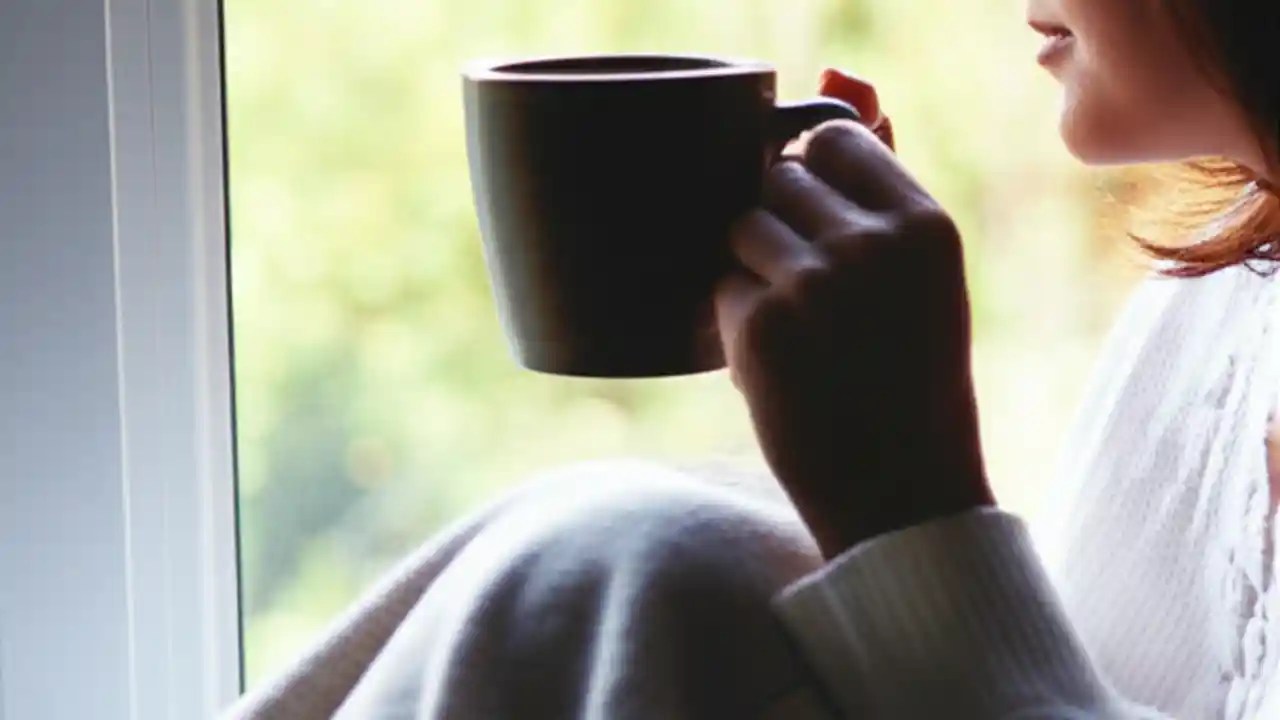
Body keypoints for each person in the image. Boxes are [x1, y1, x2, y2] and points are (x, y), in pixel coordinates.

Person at [227, 0, 1280, 717]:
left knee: (653, 555)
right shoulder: (1204, 315)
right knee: (668, 550)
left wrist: (911, 517)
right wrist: (858, 431)